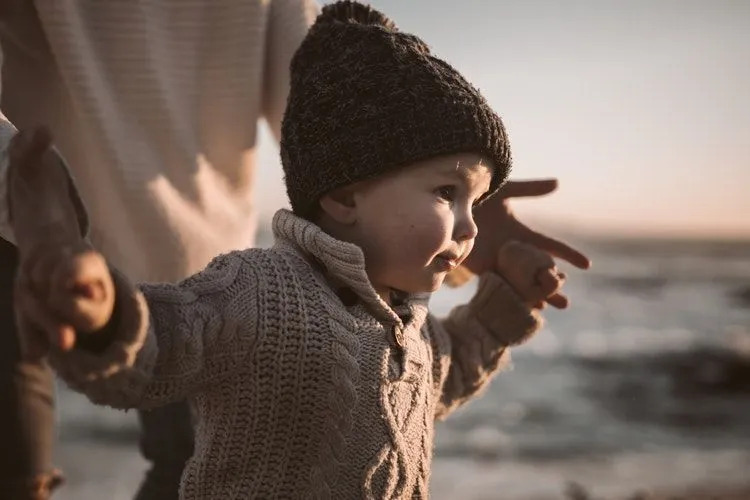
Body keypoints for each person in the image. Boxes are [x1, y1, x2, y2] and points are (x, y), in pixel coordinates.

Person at [6, 2, 590, 498]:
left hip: (192, 224)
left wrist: (511, 296)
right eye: (447, 193)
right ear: (341, 196)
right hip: (36, 227)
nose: (470, 229)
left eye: (476, 201)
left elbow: (450, 367)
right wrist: (105, 314)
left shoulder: (402, 322)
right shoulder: (258, 294)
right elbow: (160, 346)